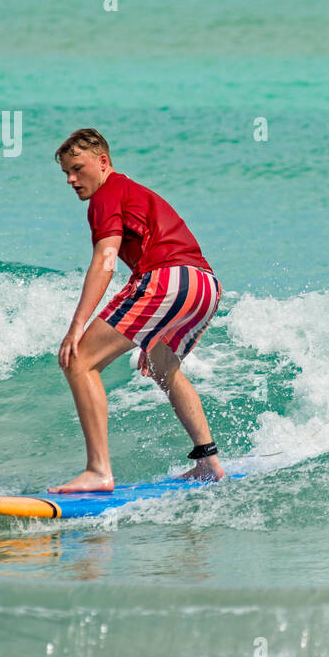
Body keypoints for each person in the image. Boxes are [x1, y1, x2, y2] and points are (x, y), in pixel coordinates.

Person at [49, 128, 223, 492]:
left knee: (79, 360)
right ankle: (209, 462)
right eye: (66, 172)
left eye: (77, 169)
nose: (71, 179)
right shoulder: (134, 192)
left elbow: (106, 259)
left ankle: (98, 471)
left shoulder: (106, 194)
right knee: (162, 366)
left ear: (103, 162)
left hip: (168, 280)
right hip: (204, 285)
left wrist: (76, 325)